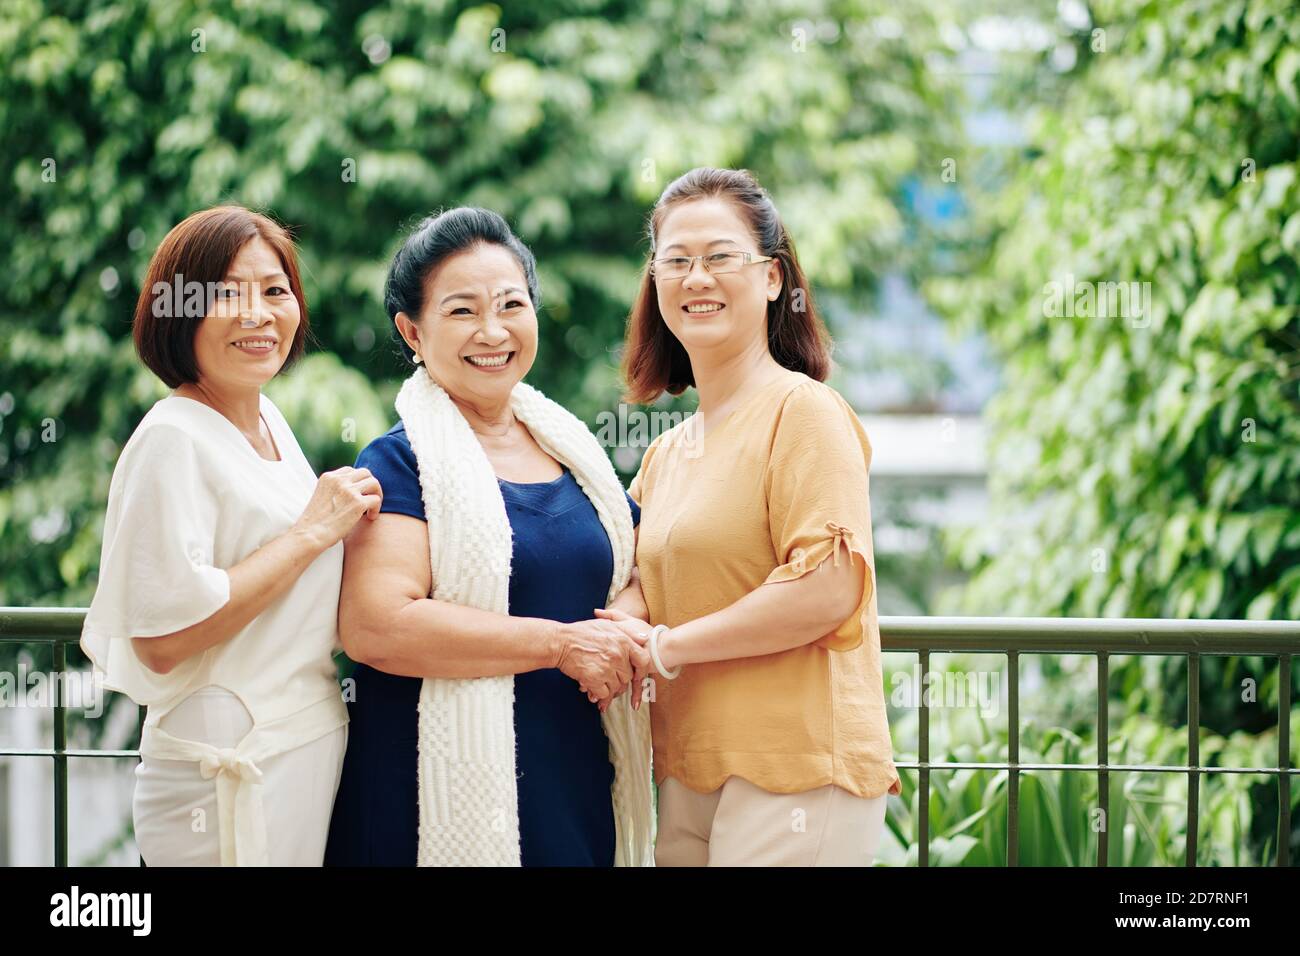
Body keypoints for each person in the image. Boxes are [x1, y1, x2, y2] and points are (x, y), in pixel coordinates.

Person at [324, 207, 653, 867]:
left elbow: (640, 569)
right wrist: (559, 645)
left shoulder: (574, 452)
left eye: (511, 304)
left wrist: (617, 629)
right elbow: (375, 626)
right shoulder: (397, 462)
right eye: (462, 311)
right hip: (427, 801)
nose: (493, 331)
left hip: (574, 778)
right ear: (412, 331)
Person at [609, 167, 902, 866]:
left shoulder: (805, 413)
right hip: (686, 769)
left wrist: (667, 648)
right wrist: (623, 620)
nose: (695, 278)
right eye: (674, 262)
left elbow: (827, 590)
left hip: (797, 771)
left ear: (773, 278)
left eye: (720, 258)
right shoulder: (667, 452)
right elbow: (641, 574)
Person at [81, 205, 382, 865]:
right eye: (227, 294)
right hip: (218, 778)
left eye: (276, 291)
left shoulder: (268, 418)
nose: (259, 314)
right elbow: (161, 639)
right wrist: (309, 532)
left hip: (301, 751)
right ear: (177, 312)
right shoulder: (171, 437)